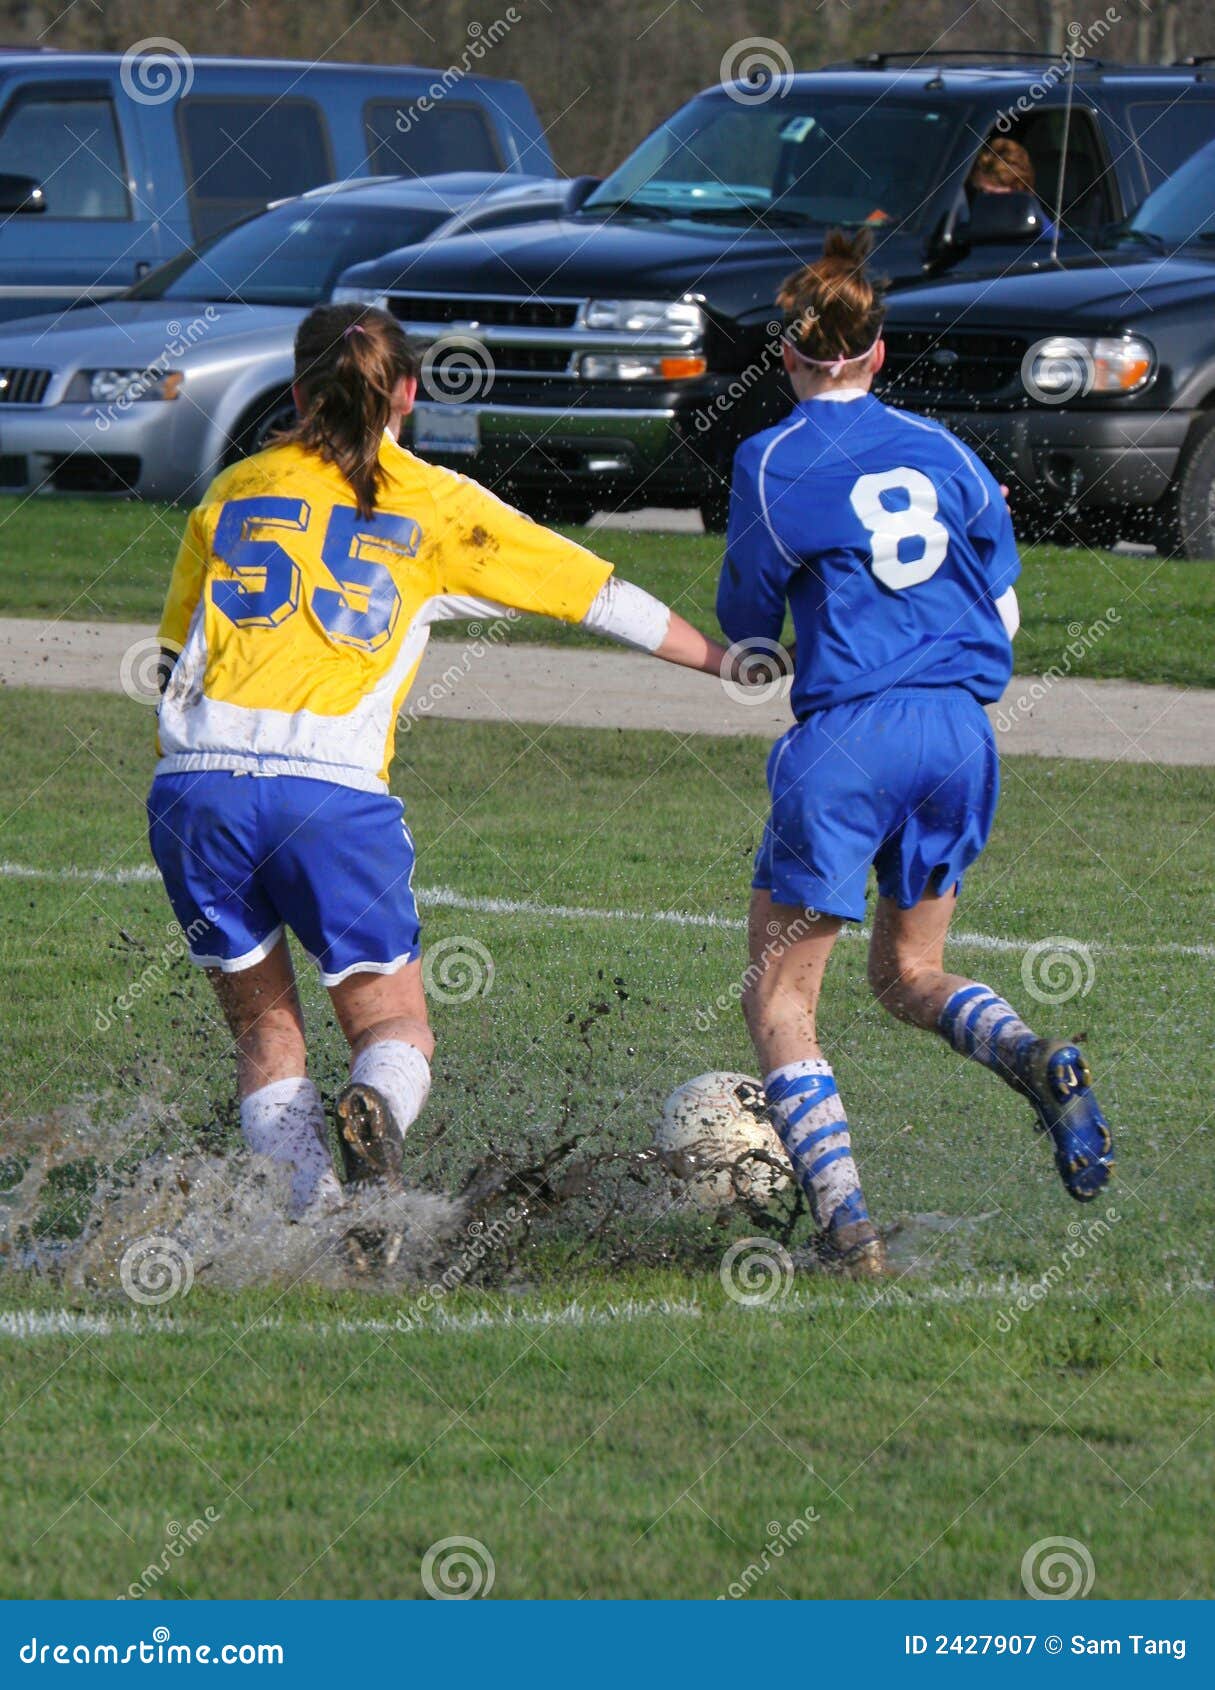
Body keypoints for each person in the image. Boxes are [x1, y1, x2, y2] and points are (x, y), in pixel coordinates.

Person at [150, 303, 738, 1219]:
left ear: (298, 392)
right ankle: (375, 1109)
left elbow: (170, 659)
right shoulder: (436, 503)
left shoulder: (232, 490)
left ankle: (316, 1224)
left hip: (194, 791)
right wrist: (727, 662)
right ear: (409, 394)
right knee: (392, 1026)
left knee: (266, 1034)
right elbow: (597, 595)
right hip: (327, 792)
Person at [716, 230, 1113, 1278]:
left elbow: (748, 631)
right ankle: (1031, 1053)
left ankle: (848, 1231)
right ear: (878, 353)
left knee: (779, 999)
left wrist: (773, 649)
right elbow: (1002, 604)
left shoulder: (769, 460)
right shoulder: (945, 449)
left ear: (788, 354)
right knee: (909, 973)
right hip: (960, 733)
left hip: (852, 736)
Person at [967, 136, 1056, 238]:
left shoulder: (1045, 240)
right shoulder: (981, 227)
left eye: (992, 195)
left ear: (1017, 189)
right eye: (979, 191)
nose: (982, 201)